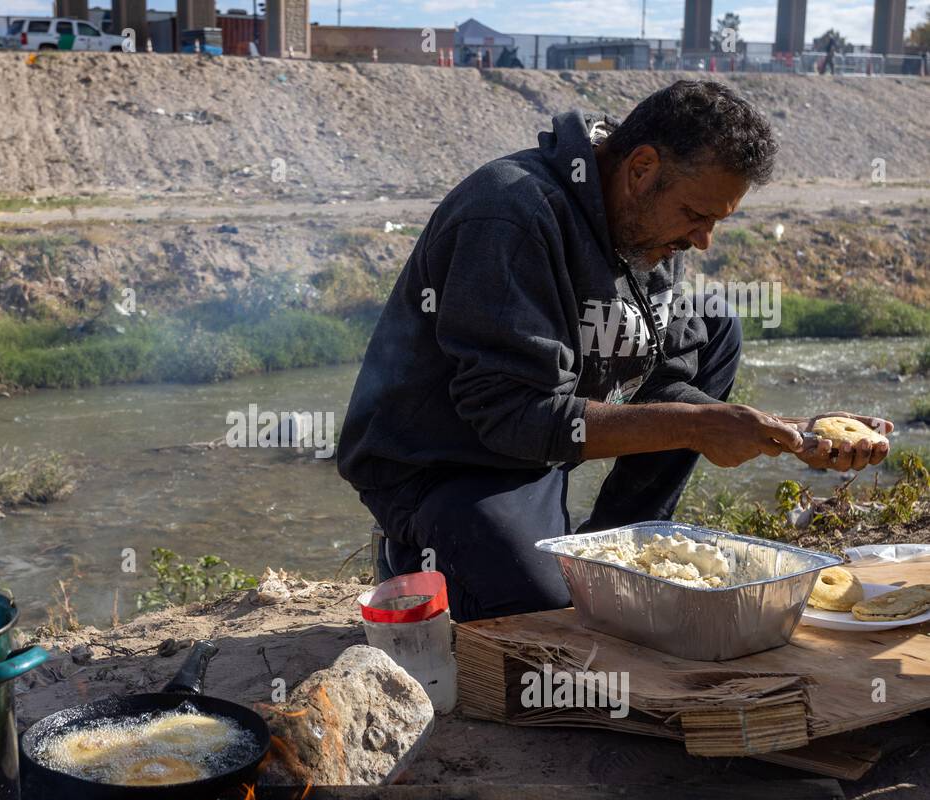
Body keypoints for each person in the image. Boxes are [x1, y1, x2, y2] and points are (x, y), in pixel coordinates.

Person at [336, 80, 891, 623]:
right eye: (697, 216)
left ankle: (618, 548)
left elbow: (659, 383)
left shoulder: (646, 221)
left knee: (717, 328)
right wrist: (699, 426)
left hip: (543, 439)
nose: (703, 241)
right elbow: (512, 417)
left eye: (716, 222)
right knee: (539, 609)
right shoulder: (510, 214)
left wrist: (787, 429)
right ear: (641, 168)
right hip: (449, 462)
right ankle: (413, 548)